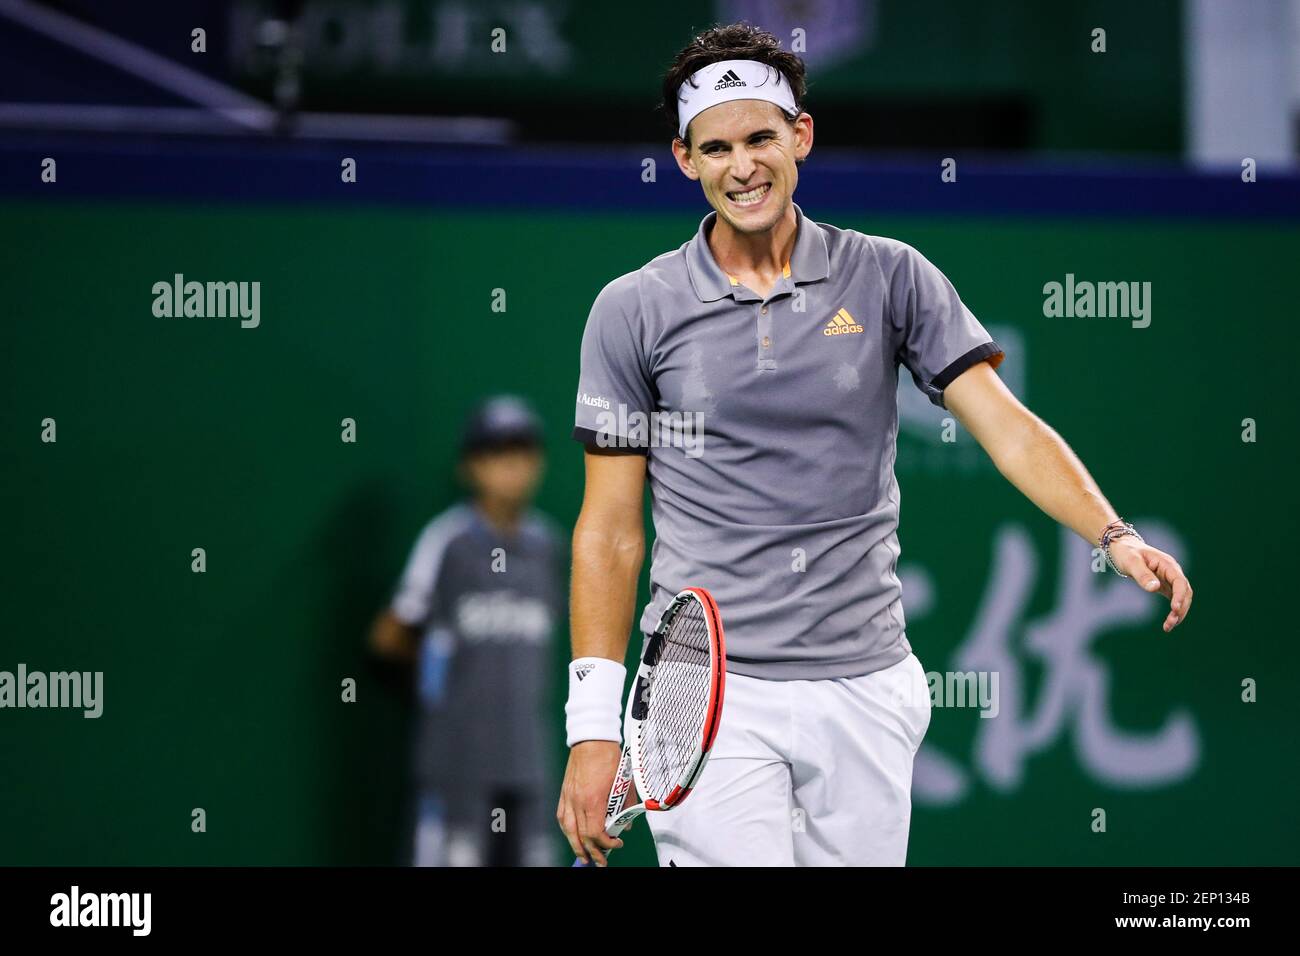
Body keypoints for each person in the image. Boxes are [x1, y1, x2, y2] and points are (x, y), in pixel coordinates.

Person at [557, 23, 1193, 867]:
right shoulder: (632, 309)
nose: (741, 166)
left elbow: (1007, 429)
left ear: (801, 136)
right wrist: (592, 729)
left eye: (760, 138)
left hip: (866, 683)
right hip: (706, 692)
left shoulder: (891, 276)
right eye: (715, 148)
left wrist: (1114, 536)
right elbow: (609, 528)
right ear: (684, 160)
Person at [370, 396, 563, 866]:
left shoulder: (550, 548)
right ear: (471, 466)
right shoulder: (448, 542)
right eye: (495, 452)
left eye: (522, 450)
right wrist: (442, 675)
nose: (511, 465)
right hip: (457, 769)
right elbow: (388, 637)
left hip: (528, 767)